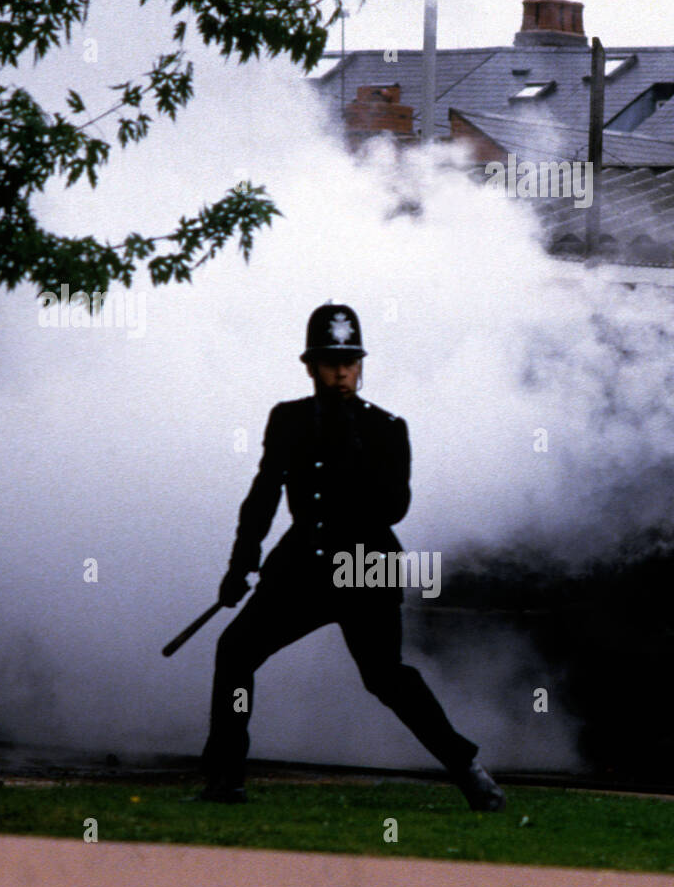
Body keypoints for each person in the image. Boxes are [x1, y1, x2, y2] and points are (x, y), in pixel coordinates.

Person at [197, 302, 505, 811]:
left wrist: (352, 449)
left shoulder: (387, 427)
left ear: (361, 365)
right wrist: (240, 565)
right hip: (303, 565)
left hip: (367, 565)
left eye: (350, 361)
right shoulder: (288, 419)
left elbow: (395, 508)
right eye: (330, 361)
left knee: (385, 677)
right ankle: (224, 780)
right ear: (310, 365)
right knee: (235, 651)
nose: (341, 371)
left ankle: (470, 772)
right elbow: (263, 496)